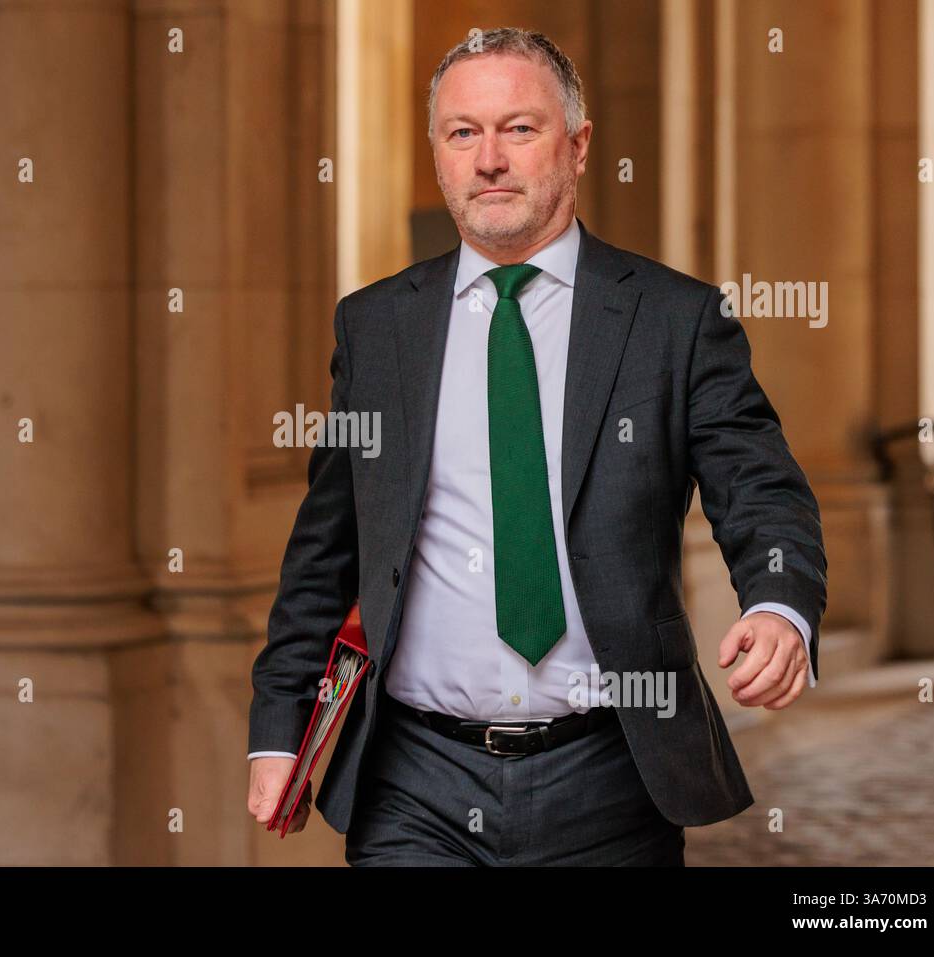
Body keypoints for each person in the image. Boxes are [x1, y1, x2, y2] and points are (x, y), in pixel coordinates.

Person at [246, 26, 827, 866]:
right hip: (414, 780)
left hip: (610, 775)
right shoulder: (375, 328)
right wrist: (278, 730)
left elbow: (760, 485)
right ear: (439, 154)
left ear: (579, 144)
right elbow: (325, 549)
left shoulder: (673, 320)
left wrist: (779, 606)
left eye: (519, 128)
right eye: (462, 132)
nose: (489, 159)